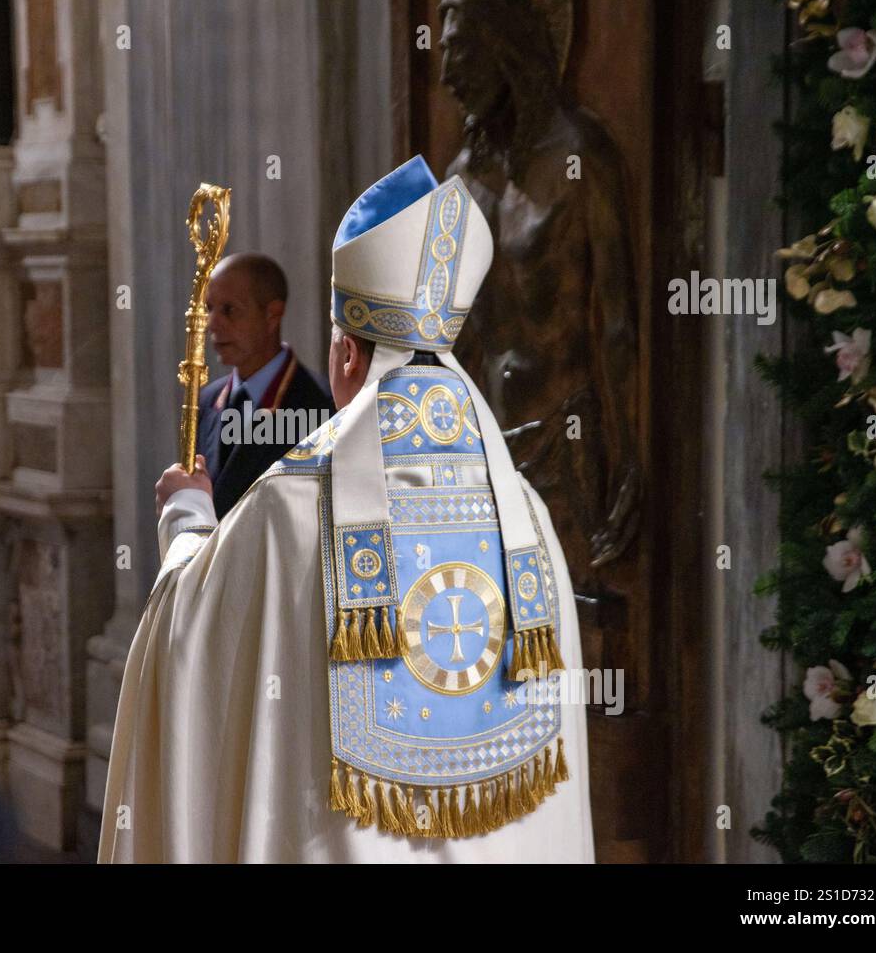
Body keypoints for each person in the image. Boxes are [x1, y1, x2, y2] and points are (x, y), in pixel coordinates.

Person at [99, 157, 594, 862]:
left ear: (348, 355)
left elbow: (184, 651)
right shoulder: (527, 517)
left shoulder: (291, 511)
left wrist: (186, 518)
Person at [197, 252, 334, 519]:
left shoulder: (320, 406)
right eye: (209, 308)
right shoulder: (206, 400)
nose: (212, 324)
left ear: (272, 314)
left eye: (229, 310)